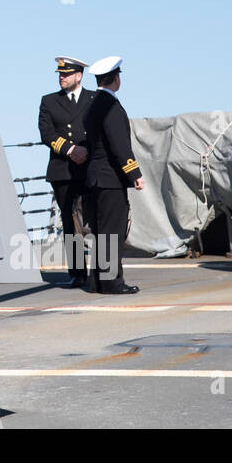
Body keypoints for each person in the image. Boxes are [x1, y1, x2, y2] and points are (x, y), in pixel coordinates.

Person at [82, 56, 144, 294]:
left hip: (95, 177)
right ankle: (111, 282)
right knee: (112, 233)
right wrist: (134, 173)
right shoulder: (110, 106)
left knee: (100, 233)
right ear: (116, 78)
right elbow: (119, 145)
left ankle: (97, 280)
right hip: (110, 178)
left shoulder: (92, 104)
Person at [38, 57, 94, 288]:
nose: (62, 77)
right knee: (70, 224)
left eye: (66, 74)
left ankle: (104, 270)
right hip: (63, 170)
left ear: (79, 76)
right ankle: (78, 273)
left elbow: (103, 130)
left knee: (98, 220)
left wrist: (86, 151)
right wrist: (71, 150)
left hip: (90, 168)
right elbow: (47, 133)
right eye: (60, 74)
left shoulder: (94, 99)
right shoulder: (49, 102)